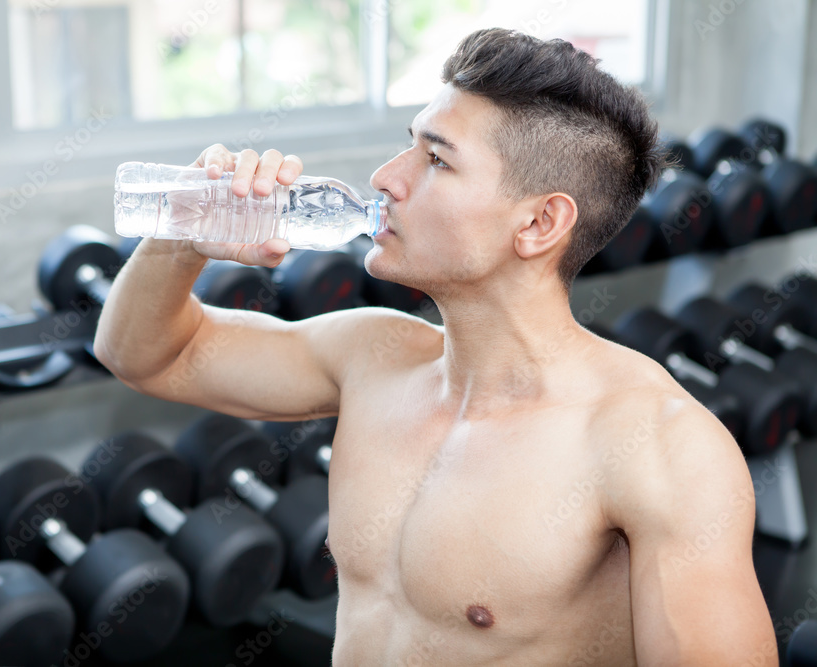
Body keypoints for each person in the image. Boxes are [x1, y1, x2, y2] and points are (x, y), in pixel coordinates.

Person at [94, 28, 776, 666]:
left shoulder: (658, 444)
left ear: (540, 222)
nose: (387, 178)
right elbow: (148, 353)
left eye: (436, 159)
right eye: (407, 145)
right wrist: (182, 231)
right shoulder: (373, 355)